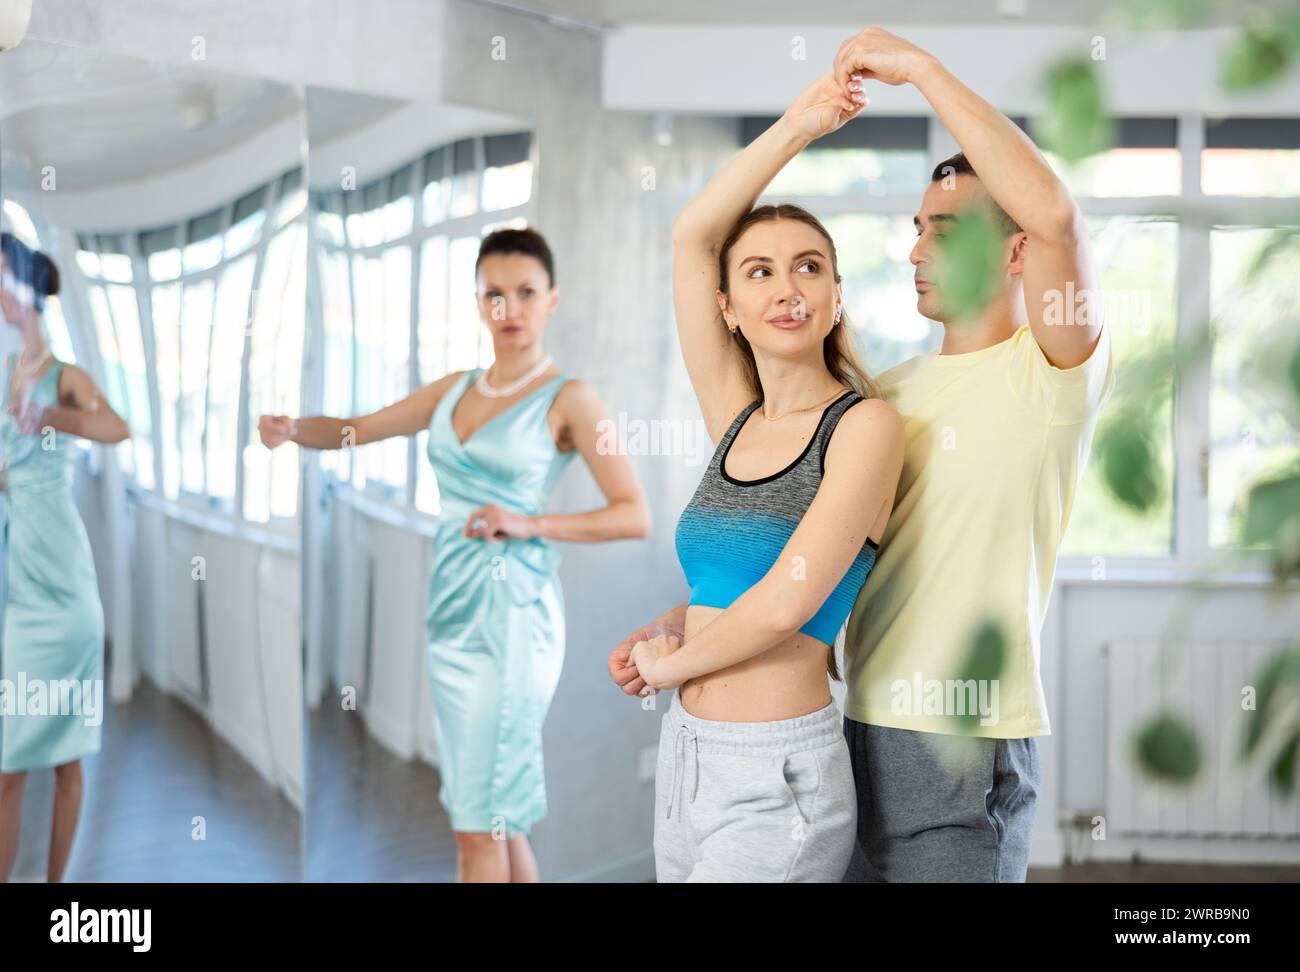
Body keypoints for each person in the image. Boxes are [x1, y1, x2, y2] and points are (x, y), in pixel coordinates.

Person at [614, 27, 1116, 883]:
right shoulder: (882, 399)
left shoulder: (1053, 373)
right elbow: (803, 555)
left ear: (1015, 250)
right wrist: (684, 623)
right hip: (855, 720)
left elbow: (1057, 214)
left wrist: (920, 70)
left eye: (947, 229)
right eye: (918, 228)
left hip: (965, 735)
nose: (918, 248)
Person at [262, 227, 650, 883]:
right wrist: (294, 429)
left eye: (525, 293)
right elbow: (359, 427)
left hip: (514, 621)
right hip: (451, 614)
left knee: (477, 829)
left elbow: (633, 514)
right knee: (501, 817)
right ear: (478, 303)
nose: (510, 310)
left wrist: (529, 522)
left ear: (551, 299)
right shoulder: (453, 388)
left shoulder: (572, 399)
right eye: (494, 295)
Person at [624, 74, 904, 882]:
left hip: (777, 775)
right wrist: (663, 635)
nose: (786, 288)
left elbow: (789, 598)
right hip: (688, 755)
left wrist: (668, 669)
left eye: (809, 267)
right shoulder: (735, 421)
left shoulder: (863, 428)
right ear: (727, 308)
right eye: (759, 272)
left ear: (837, 296)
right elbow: (690, 236)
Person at [0, 234, 130, 883]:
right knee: (8, 766)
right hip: (19, 589)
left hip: (67, 588)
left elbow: (117, 427)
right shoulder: (3, 378)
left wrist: (50, 414)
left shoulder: (67, 378)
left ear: (26, 284)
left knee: (69, 763)